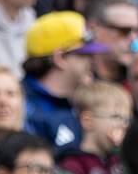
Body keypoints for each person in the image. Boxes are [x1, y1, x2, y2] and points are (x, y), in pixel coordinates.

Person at [20, 10, 107, 150]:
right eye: (85, 55)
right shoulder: (21, 103)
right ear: (59, 58)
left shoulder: (80, 102)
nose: (94, 61)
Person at [57, 79, 129, 174]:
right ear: (88, 121)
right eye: (116, 117)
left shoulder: (120, 160)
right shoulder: (73, 165)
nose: (123, 125)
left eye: (126, 119)